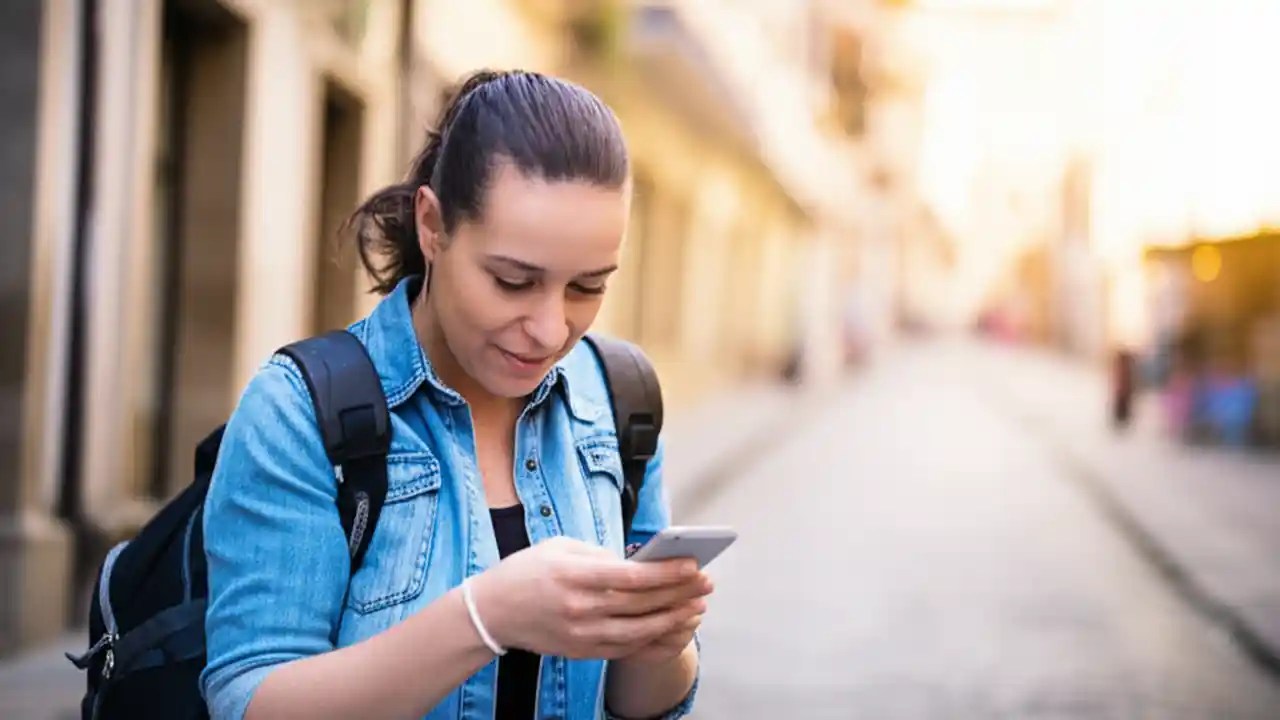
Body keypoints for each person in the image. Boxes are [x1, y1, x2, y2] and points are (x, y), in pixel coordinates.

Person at [199, 70, 710, 720]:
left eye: (587, 287)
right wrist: (486, 617)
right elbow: (250, 701)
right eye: (512, 281)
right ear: (433, 225)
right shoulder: (300, 414)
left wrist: (659, 641)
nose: (551, 329)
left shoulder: (619, 400)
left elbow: (643, 704)